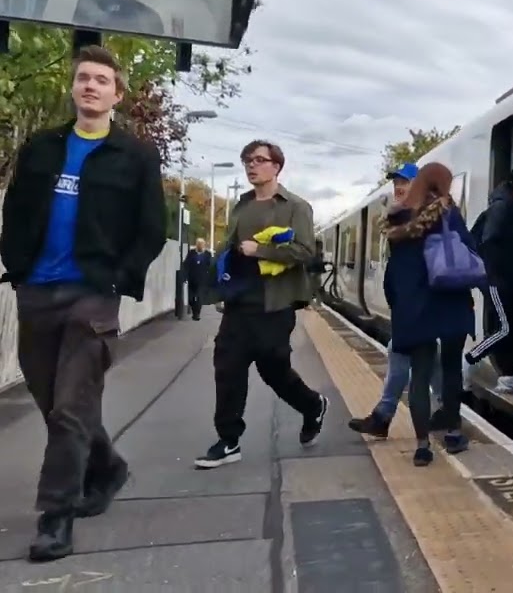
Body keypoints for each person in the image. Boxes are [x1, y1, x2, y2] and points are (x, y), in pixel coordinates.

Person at [0, 45, 166, 562]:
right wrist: (19, 264)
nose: (90, 86)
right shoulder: (42, 147)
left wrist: (117, 278)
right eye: (83, 79)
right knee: (55, 405)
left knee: (71, 408)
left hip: (92, 295)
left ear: (117, 93)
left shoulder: (135, 156)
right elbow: (17, 207)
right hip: (37, 292)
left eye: (101, 80)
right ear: (73, 89)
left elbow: (152, 229)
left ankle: (56, 515)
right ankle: (108, 466)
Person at [195, 140, 328, 469]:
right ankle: (229, 440)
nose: (251, 166)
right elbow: (229, 249)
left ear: (276, 167)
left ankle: (312, 406)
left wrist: (261, 251)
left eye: (258, 160)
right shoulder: (241, 206)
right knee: (227, 368)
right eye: (247, 161)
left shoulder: (296, 207)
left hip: (275, 304)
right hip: (240, 302)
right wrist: (218, 288)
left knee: (274, 371)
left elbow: (305, 252)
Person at [349, 162, 451, 437]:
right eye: (396, 183)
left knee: (399, 353)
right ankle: (448, 409)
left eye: (405, 182)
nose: (399, 187)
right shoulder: (401, 217)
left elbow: (428, 262)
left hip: (420, 300)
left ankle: (383, 417)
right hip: (408, 300)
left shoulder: (429, 218)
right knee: (429, 358)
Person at [381, 162, 474, 465]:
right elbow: (469, 251)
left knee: (419, 377)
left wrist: (398, 304)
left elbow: (393, 272)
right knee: (450, 370)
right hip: (450, 301)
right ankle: (452, 432)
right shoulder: (448, 214)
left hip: (415, 307)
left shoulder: (397, 220)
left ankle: (422, 446)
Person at [468, 168, 513, 393]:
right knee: (504, 329)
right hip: (499, 281)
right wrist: (497, 275)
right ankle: (468, 362)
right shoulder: (502, 208)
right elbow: (489, 243)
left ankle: (508, 376)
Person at [184, 237, 213, 320]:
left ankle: (197, 314)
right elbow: (186, 265)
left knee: (199, 297)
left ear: (204, 245)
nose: (200, 245)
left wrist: (209, 278)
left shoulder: (207, 254)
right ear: (196, 244)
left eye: (201, 244)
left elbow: (210, 267)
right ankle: (193, 310)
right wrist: (185, 276)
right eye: (198, 244)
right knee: (191, 298)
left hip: (202, 280)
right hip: (192, 278)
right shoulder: (191, 253)